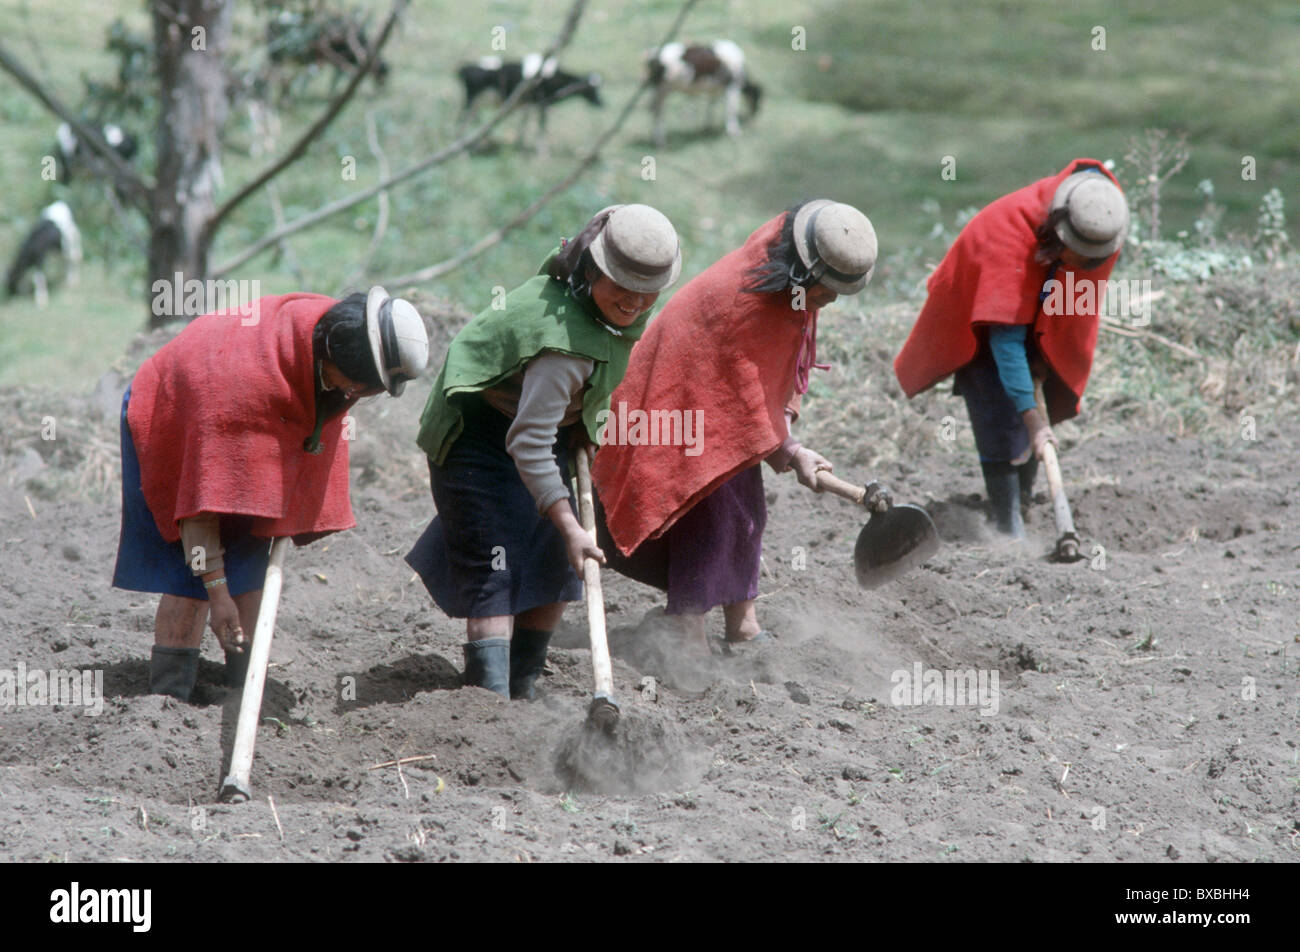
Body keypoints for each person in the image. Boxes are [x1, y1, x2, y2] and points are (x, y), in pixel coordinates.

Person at [406, 204, 682, 698]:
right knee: (498, 566)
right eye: (622, 286)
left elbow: (590, 387)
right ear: (593, 270)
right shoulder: (562, 347)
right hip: (477, 435)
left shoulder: (602, 313)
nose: (635, 303)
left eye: (648, 292)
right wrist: (573, 526)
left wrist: (583, 426)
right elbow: (529, 441)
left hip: (538, 423)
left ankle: (524, 683)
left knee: (553, 558)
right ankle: (487, 701)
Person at [591, 200, 889, 653]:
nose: (827, 302)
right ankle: (686, 626)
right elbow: (739, 399)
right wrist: (788, 450)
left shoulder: (790, 290)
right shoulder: (745, 300)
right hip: (673, 412)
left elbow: (775, 377)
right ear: (804, 271)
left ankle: (742, 624)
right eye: (825, 291)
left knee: (746, 514)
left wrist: (788, 438)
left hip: (719, 415)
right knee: (712, 513)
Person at [113, 287, 429, 701]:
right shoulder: (235, 392)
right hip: (173, 410)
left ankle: (245, 683)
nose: (357, 399)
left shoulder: (330, 339)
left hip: (250, 403)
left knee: (251, 550)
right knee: (186, 574)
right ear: (338, 366)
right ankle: (168, 696)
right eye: (359, 389)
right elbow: (197, 510)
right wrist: (217, 591)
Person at [894, 159, 1129, 537]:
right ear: (1057, 235)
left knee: (1035, 395)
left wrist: (1045, 353)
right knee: (998, 412)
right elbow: (1005, 341)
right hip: (978, 315)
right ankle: (1007, 526)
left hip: (1037, 295)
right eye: (1079, 257)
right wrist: (1034, 421)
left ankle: (1022, 501)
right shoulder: (1008, 238)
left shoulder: (1101, 210)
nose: (1085, 265)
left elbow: (1071, 303)